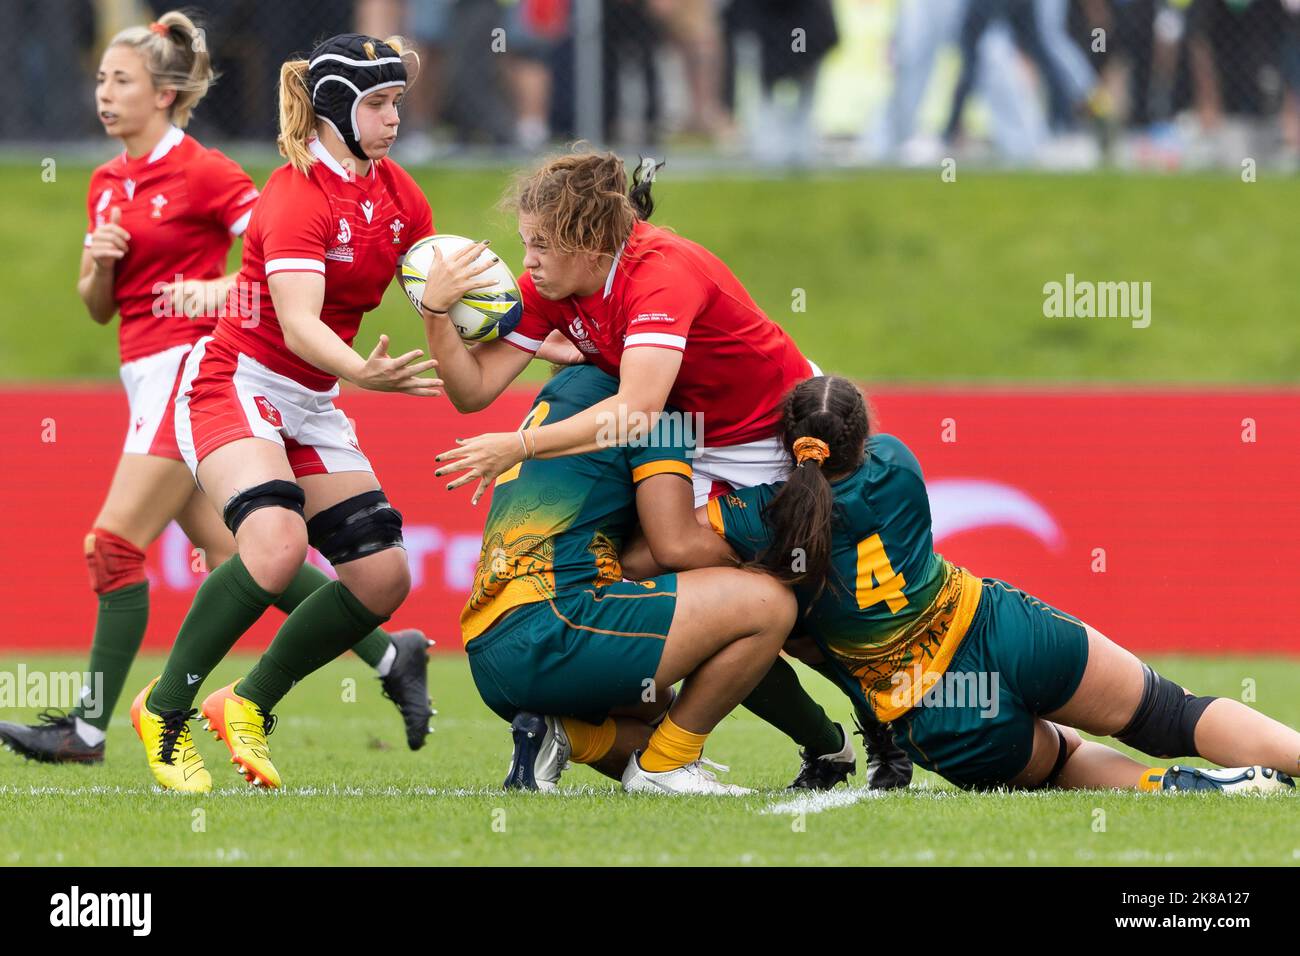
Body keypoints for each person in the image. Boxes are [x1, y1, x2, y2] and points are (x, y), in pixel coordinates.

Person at [0, 13, 430, 768]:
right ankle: (389, 658)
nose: (103, 94)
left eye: (121, 80)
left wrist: (218, 292)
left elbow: (265, 251)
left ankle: (95, 727)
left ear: (166, 94)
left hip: (198, 375)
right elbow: (100, 309)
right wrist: (98, 268)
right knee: (253, 549)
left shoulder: (203, 170)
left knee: (116, 547)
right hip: (152, 375)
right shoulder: (105, 185)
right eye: (99, 78)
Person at [420, 147, 909, 790]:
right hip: (693, 444)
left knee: (802, 608)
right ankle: (730, 747)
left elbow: (638, 406)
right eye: (524, 243)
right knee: (656, 587)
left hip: (777, 449)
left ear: (592, 243)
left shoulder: (661, 273)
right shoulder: (555, 287)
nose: (527, 261)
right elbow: (473, 392)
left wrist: (521, 446)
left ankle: (881, 736)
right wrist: (434, 314)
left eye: (541, 244)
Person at [703, 376, 1300, 793]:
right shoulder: (895, 459)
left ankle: (1175, 787)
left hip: (940, 711)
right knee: (1171, 713)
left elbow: (673, 546)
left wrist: (667, 456)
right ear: (860, 434)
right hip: (1001, 627)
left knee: (1065, 759)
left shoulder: (763, 517)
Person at [128, 32, 442, 793]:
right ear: (334, 108)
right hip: (238, 381)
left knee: (382, 577)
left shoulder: (402, 197)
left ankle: (251, 701)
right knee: (274, 546)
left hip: (313, 399)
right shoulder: (296, 194)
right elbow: (300, 324)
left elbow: (443, 302)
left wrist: (532, 337)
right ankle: (165, 710)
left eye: (397, 101)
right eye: (378, 103)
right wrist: (365, 372)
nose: (393, 118)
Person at [463, 364, 794, 794]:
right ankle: (667, 768)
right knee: (769, 603)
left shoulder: (567, 386)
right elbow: (675, 547)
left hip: (491, 648)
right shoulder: (655, 409)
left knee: (656, 711)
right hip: (556, 627)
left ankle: (558, 734)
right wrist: (762, 549)